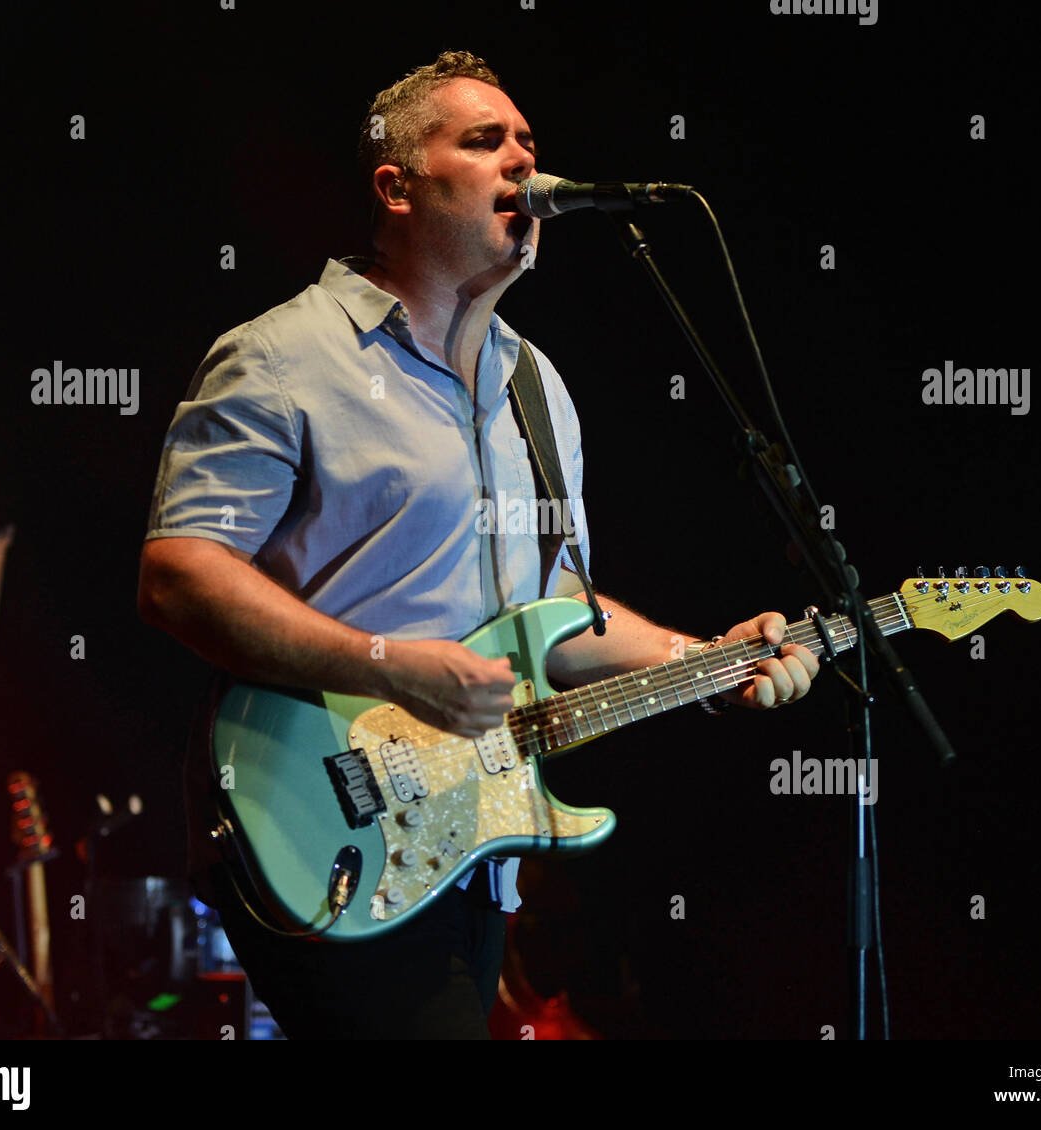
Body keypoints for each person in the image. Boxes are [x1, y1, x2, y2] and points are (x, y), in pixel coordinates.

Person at [137, 50, 819, 1039]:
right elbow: (177, 575)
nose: (521, 163)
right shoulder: (285, 355)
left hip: (469, 842)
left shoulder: (534, 387)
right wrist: (393, 666)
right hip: (319, 809)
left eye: (528, 144)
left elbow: (561, 611)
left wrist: (704, 657)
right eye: (484, 140)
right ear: (397, 187)